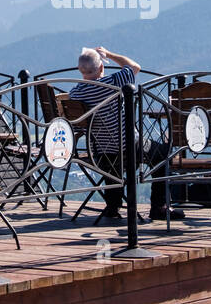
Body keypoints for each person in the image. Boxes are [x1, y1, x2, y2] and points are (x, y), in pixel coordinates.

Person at [69, 46, 179, 223]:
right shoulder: (113, 83)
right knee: (163, 153)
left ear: (80, 70)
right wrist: (110, 55)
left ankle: (113, 206)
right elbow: (135, 67)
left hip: (101, 153)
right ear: (101, 68)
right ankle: (159, 207)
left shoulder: (76, 93)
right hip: (129, 147)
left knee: (113, 161)